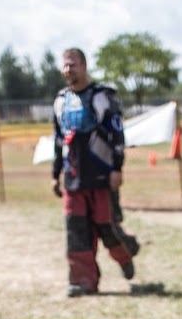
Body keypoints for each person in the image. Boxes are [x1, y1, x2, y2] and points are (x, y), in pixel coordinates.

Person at [51, 47, 140, 296]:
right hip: (73, 178)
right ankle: (82, 281)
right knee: (76, 231)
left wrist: (117, 168)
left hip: (101, 176)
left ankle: (126, 250)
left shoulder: (103, 96)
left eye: (74, 64)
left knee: (107, 228)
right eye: (65, 65)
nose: (69, 70)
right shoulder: (60, 101)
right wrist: (55, 174)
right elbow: (58, 141)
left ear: (84, 66)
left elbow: (117, 133)